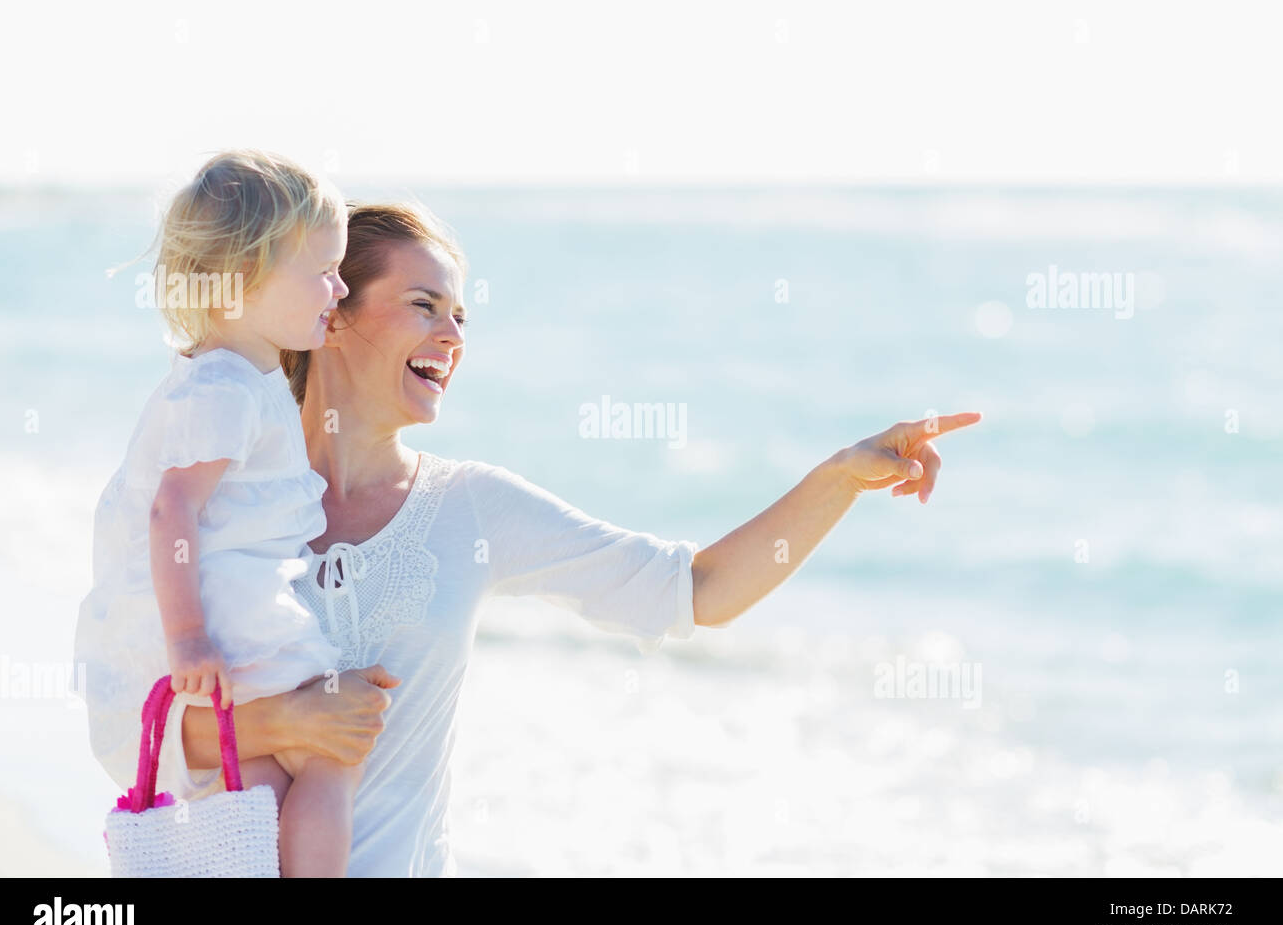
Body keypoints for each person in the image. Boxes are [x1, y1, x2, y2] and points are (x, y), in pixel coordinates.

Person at [100, 198, 981, 877]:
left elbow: (695, 592)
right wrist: (285, 721)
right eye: (423, 305)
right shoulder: (210, 488)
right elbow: (119, 726)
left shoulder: (471, 510)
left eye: (461, 316)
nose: (453, 335)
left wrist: (839, 480)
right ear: (330, 311)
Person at [72, 150, 399, 877]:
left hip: (233, 611)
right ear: (247, 275)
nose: (339, 289)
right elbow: (171, 512)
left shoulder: (233, 373)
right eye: (323, 271)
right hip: (233, 614)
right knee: (328, 760)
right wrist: (189, 637)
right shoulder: (225, 386)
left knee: (259, 788)